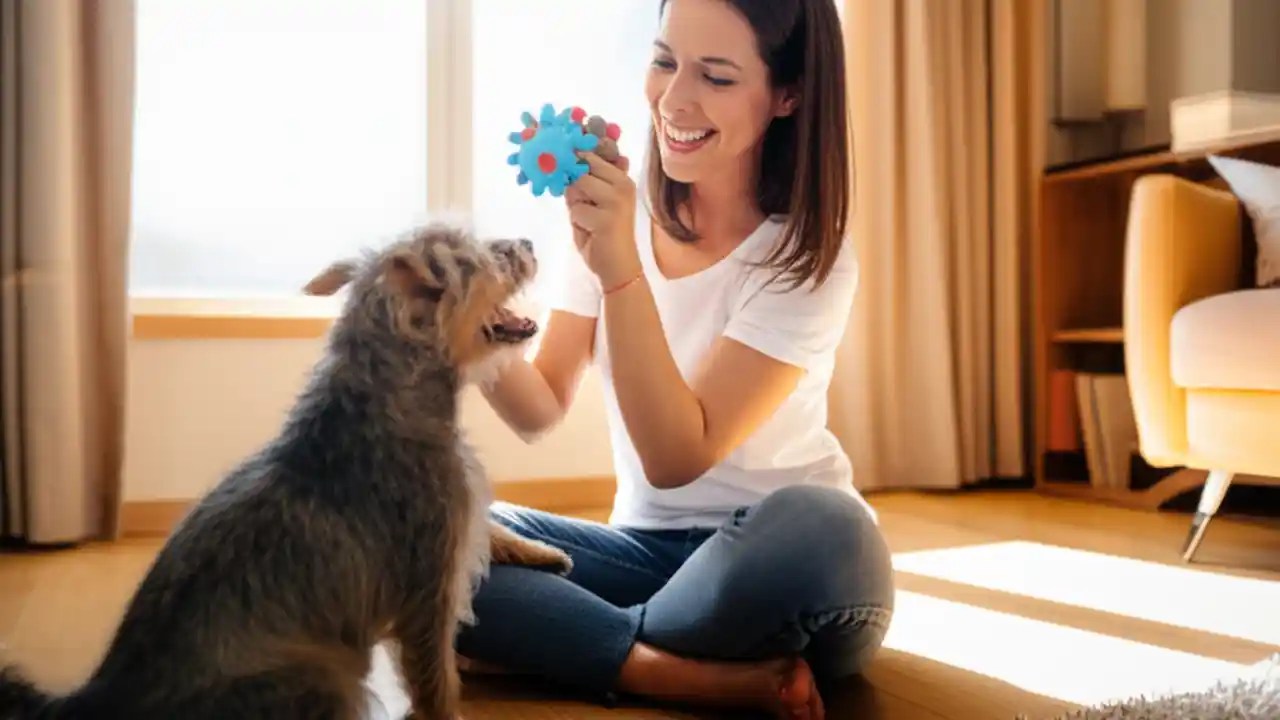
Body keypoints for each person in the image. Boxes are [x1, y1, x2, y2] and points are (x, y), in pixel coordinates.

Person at [458, 0, 893, 717]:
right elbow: (540, 407)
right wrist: (469, 321)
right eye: (664, 61)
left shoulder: (807, 258)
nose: (675, 98)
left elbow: (674, 455)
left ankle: (570, 642)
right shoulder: (610, 223)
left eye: (717, 77)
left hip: (785, 561)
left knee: (819, 526)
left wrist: (621, 270)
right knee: (457, 536)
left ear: (789, 95)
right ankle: (671, 670)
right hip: (645, 554)